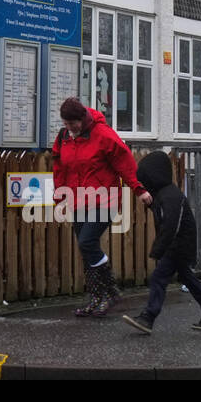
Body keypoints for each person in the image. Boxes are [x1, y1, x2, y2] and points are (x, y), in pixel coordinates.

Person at [52, 96, 151, 317]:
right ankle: (98, 297)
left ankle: (109, 293)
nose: (70, 129)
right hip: (77, 200)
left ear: (82, 119)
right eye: (66, 125)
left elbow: (125, 164)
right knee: (86, 249)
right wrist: (60, 195)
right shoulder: (64, 138)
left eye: (73, 124)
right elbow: (60, 167)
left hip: (104, 200)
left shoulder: (103, 135)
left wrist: (139, 189)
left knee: (87, 242)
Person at [123, 150, 201, 334]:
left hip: (178, 245)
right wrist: (150, 203)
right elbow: (162, 214)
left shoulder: (170, 196)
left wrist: (158, 249)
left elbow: (171, 225)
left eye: (146, 179)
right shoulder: (163, 195)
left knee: (159, 278)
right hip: (178, 244)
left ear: (154, 176)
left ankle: (148, 318)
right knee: (188, 279)